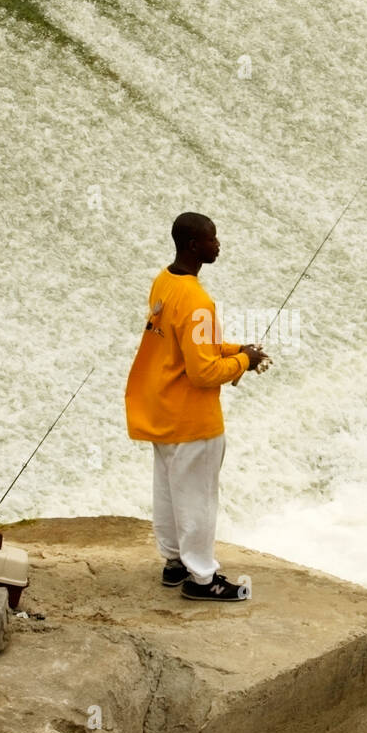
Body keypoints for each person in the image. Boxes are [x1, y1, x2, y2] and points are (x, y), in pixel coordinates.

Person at [124, 212, 268, 601]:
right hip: (193, 420)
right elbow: (203, 372)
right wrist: (246, 362)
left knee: (169, 492)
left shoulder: (165, 281)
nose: (218, 244)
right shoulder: (199, 301)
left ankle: (173, 563)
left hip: (162, 409)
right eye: (212, 238)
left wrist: (237, 350)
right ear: (193, 245)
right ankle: (203, 578)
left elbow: (186, 345)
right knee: (199, 499)